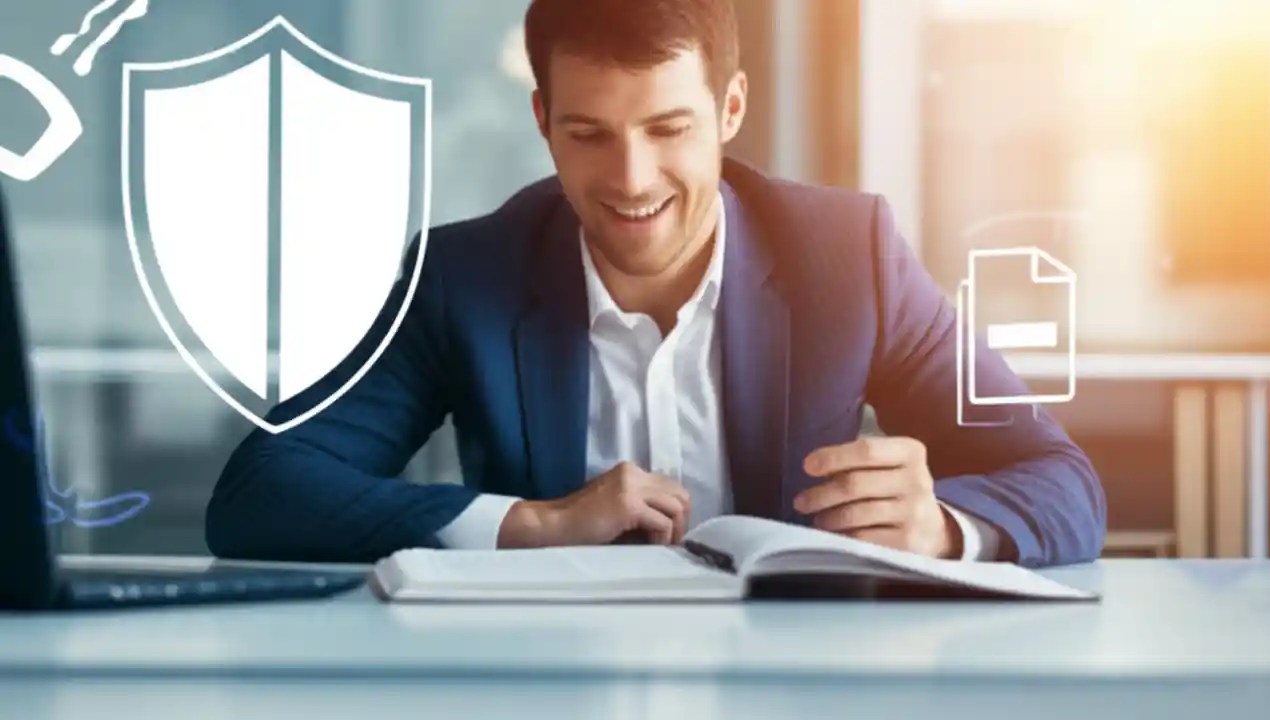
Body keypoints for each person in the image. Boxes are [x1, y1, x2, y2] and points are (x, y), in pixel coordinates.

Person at [206, 0, 1105, 568]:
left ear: (732, 111)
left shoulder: (849, 256)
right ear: (543, 123)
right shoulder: (463, 276)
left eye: (669, 127)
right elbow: (261, 492)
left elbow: (1061, 482)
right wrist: (535, 524)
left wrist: (944, 527)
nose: (632, 179)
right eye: (590, 134)